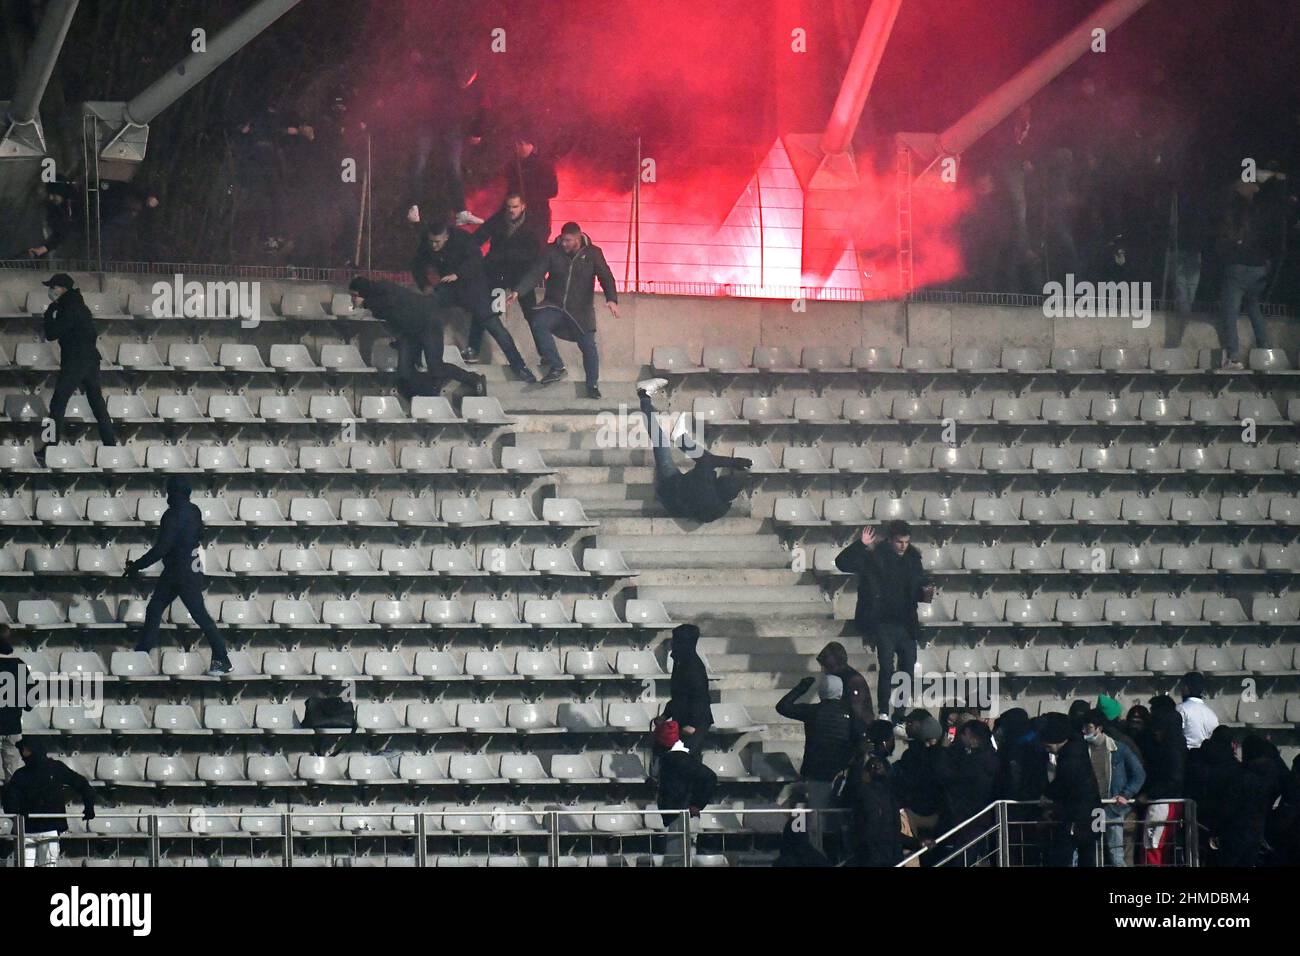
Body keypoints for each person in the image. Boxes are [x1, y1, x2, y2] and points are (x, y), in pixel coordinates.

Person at [124, 476, 232, 676]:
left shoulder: (172, 515)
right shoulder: (194, 510)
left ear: (173, 493)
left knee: (194, 614)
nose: (167, 496)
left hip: (179, 572)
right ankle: (142, 655)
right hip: (189, 568)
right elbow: (199, 535)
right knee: (156, 609)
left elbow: (162, 548)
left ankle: (222, 658)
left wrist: (136, 566)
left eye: (169, 492)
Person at [834, 520, 935, 720]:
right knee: (887, 668)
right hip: (882, 621)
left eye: (906, 542)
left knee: (907, 668)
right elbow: (842, 563)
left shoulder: (913, 559)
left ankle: (899, 715)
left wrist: (925, 590)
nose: (903, 546)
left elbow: (917, 583)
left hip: (906, 622)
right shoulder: (874, 558)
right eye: (899, 542)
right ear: (890, 540)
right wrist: (861, 544)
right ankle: (883, 712)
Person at [409, 223, 535, 380]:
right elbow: (417, 265)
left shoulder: (463, 240)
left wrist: (458, 274)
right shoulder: (426, 243)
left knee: (494, 326)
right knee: (425, 309)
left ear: (446, 237)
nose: (434, 246)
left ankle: (520, 366)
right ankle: (416, 358)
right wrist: (425, 285)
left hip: (473, 287)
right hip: (449, 287)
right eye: (431, 242)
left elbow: (476, 261)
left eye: (438, 242)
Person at [507, 221, 619, 398]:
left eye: (568, 240)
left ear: (578, 238)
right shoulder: (552, 251)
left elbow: (606, 277)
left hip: (580, 310)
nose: (564, 243)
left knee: (588, 346)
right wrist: (518, 290)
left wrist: (612, 299)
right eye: (563, 239)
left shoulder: (593, 253)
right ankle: (557, 366)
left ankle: (592, 385)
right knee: (538, 322)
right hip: (555, 305)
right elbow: (536, 272)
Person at [633, 378, 753, 522]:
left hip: (667, 486)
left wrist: (734, 462)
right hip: (676, 509)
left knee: (660, 440)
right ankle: (679, 439)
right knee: (704, 460)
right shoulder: (720, 508)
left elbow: (707, 460)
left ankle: (644, 395)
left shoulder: (705, 479)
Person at [347, 277, 487, 399]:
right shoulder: (378, 295)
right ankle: (425, 395)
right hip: (412, 331)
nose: (353, 299)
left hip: (429, 324)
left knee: (436, 367)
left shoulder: (382, 291)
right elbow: (397, 317)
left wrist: (365, 303)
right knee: (404, 373)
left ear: (363, 293)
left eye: (354, 295)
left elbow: (389, 304)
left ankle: (474, 380)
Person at [775, 673, 860, 855]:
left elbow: (782, 707)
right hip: (841, 777)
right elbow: (858, 742)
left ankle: (817, 859)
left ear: (822, 691)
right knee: (840, 823)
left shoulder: (813, 711)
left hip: (816, 775)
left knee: (816, 825)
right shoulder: (850, 714)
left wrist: (802, 687)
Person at [40, 273, 118, 460]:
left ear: (63, 288)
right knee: (97, 404)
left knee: (57, 403)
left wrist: (48, 314)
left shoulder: (68, 307)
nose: (50, 291)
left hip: (76, 361)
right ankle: (111, 446)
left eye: (53, 287)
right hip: (91, 360)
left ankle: (49, 447)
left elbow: (51, 334)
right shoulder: (81, 306)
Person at [1216, 170, 1284, 368]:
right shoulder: (1261, 210)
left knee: (1230, 312)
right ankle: (1266, 348)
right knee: (1253, 307)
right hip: (1259, 268)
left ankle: (1233, 356)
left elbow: (1225, 234)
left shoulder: (1235, 208)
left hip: (1238, 267)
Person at [1, 738, 95, 867]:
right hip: (26, 831)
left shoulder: (55, 768)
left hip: (48, 829)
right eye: (23, 750)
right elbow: (10, 801)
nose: (24, 754)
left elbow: (82, 784)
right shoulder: (21, 775)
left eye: (26, 750)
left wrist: (89, 804)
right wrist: (18, 811)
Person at [1082, 709, 1145, 867]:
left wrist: (1126, 794)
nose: (1084, 731)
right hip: (1092, 808)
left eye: (1089, 727)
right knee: (1095, 854)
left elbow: (1139, 774)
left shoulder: (1119, 749)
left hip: (1113, 807)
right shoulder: (1082, 749)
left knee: (1116, 853)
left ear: (1099, 728)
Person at [1038, 712, 1102, 867]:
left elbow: (1064, 782)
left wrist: (1047, 794)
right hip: (1092, 813)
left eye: (1048, 746)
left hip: (1077, 816)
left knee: (1064, 855)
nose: (1048, 750)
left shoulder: (1069, 759)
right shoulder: (1078, 748)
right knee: (1088, 855)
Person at [476, 192, 546, 324]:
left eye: (515, 207)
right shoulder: (497, 220)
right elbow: (478, 238)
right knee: (490, 313)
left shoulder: (532, 224)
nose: (511, 210)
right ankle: (473, 345)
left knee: (532, 316)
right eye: (508, 207)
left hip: (522, 275)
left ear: (523, 207)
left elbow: (536, 252)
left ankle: (544, 345)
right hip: (498, 274)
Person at [1139, 708, 1187, 865]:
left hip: (1162, 803)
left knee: (1153, 845)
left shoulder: (1170, 751)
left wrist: (1149, 794)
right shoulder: (1180, 747)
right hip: (1171, 803)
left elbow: (1173, 779)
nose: (1155, 733)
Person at [661, 624, 712, 759]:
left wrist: (692, 724)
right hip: (683, 718)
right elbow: (679, 697)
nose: (672, 643)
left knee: (688, 759)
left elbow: (700, 697)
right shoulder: (680, 663)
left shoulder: (693, 666)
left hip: (695, 721)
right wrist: (665, 715)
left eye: (675, 640)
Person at [504, 135, 558, 240]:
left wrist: (530, 195)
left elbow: (553, 191)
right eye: (519, 144)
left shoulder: (544, 164)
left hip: (538, 216)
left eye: (525, 144)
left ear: (532, 146)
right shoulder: (512, 166)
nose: (522, 147)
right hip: (518, 217)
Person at [815, 641, 873, 737]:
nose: (823, 670)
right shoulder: (841, 678)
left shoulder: (852, 680)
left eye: (825, 667)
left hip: (855, 728)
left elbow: (858, 710)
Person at [0, 625, 29, 785]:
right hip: (12, 725)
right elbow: (32, 697)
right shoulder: (19, 664)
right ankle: (12, 807)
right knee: (13, 777)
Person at [1176, 671, 1219, 749]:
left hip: (1186, 757)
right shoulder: (1212, 714)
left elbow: (1173, 736)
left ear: (1186, 688)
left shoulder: (1180, 709)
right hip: (1205, 757)